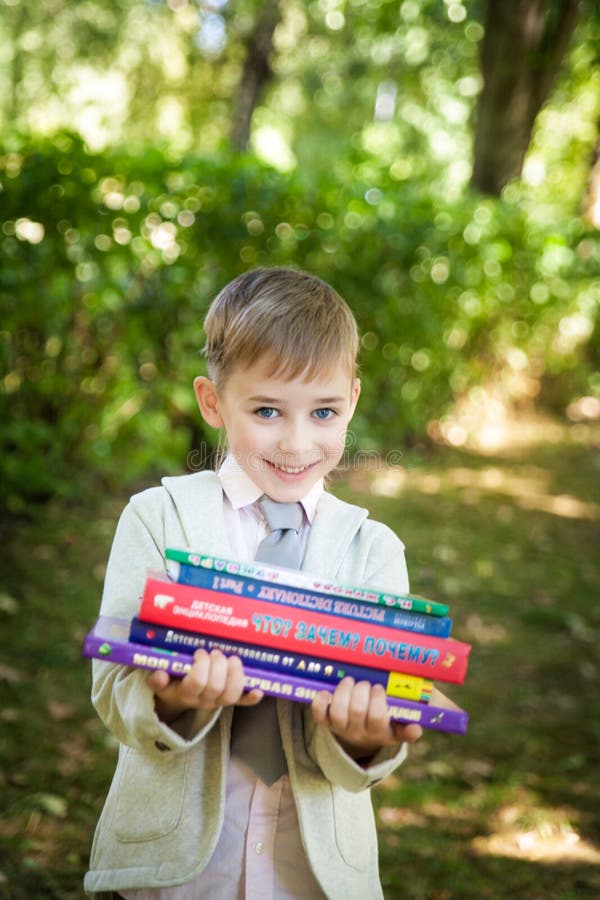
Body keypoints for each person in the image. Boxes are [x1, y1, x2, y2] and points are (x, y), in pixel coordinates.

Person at [84, 267, 422, 900]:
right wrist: (176, 699)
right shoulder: (159, 519)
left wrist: (363, 736)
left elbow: (386, 714)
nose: (297, 443)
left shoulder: (373, 551)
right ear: (213, 402)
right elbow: (112, 685)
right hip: (176, 869)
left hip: (311, 870)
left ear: (351, 400)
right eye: (267, 410)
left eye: (323, 412)